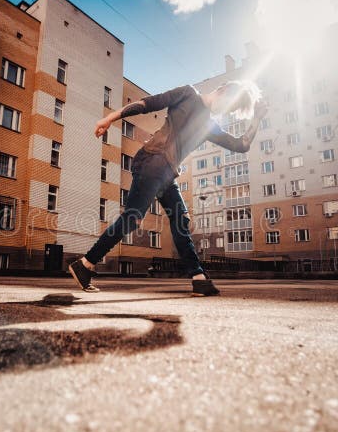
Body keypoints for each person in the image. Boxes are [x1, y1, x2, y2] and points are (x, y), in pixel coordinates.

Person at [69, 80, 267, 296]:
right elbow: (147, 104)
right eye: (230, 104)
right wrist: (109, 119)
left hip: (166, 172)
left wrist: (256, 119)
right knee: (132, 219)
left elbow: (241, 145)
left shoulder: (209, 125)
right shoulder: (188, 93)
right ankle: (85, 264)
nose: (226, 111)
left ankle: (198, 278)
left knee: (180, 220)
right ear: (223, 91)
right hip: (152, 161)